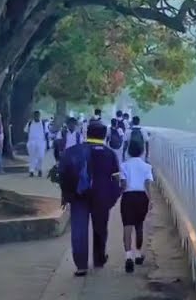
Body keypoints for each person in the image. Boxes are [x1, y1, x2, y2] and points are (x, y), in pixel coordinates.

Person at [59, 120, 122, 276]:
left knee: (79, 229)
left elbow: (63, 174)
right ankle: (99, 259)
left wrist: (66, 195)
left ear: (87, 133)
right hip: (101, 198)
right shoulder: (109, 154)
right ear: (104, 135)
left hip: (78, 195)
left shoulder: (73, 151)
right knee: (100, 229)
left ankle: (81, 265)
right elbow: (116, 180)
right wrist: (113, 198)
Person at [119, 137, 154, 272]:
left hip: (128, 196)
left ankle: (128, 257)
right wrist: (150, 200)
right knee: (139, 226)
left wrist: (118, 193)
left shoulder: (124, 165)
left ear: (128, 151)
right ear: (142, 151)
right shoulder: (147, 166)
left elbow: (123, 184)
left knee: (127, 227)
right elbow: (147, 184)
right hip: (141, 197)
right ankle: (138, 254)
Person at [24, 111, 48, 177]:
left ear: (39, 116)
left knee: (41, 156)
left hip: (41, 142)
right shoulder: (30, 123)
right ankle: (31, 171)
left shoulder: (43, 124)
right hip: (31, 142)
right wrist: (26, 142)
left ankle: (39, 169)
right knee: (32, 157)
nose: (36, 117)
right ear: (33, 116)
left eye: (38, 115)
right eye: (35, 115)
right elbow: (26, 132)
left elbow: (46, 133)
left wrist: (47, 144)